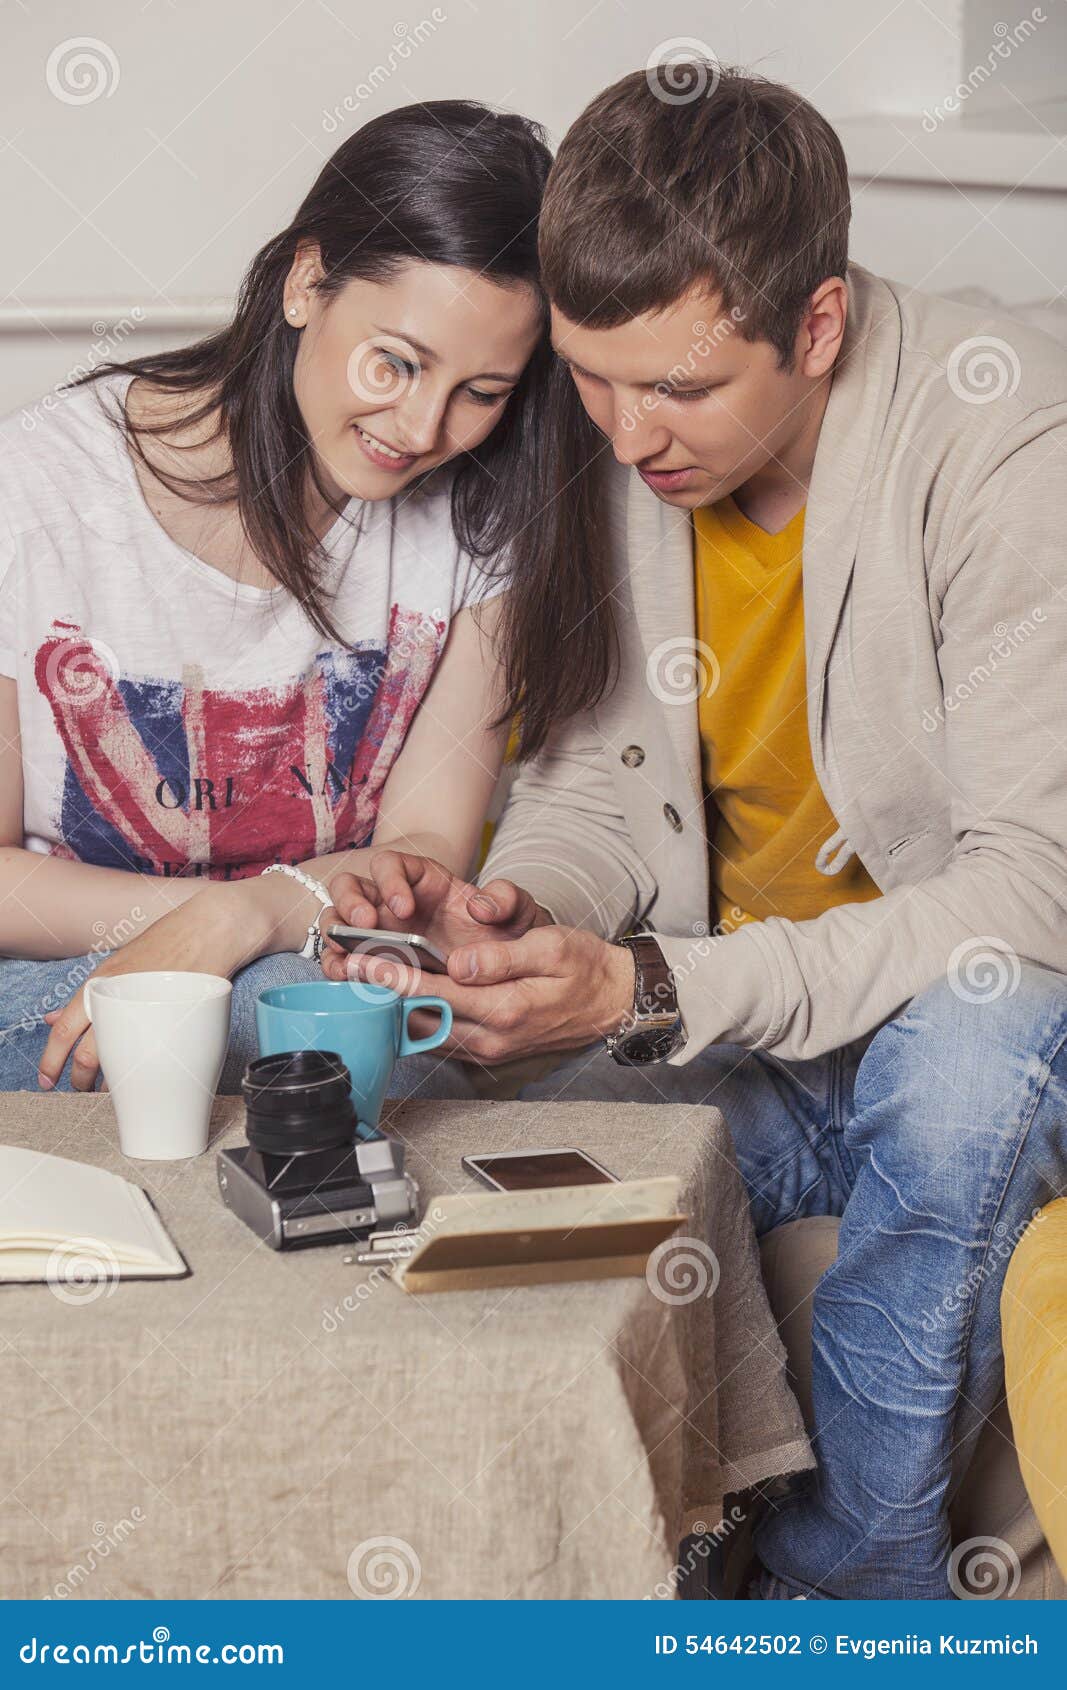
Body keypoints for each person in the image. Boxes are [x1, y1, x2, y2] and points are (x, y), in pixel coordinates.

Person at [325, 69, 1067, 1599]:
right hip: (753, 1017)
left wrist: (657, 989)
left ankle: (850, 1589)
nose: (622, 434)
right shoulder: (615, 438)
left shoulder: (1003, 441)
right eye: (593, 380)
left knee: (962, 1065)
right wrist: (530, 908)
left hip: (959, 1006)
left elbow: (1029, 893)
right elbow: (597, 784)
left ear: (816, 326)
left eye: (677, 389)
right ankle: (596, 1585)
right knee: (467, 1127)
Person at [0, 100, 615, 1094]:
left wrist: (248, 919)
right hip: (55, 994)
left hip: (324, 974)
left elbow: (419, 856)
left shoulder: (484, 515)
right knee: (303, 1016)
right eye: (398, 362)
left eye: (483, 391)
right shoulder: (34, 487)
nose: (421, 427)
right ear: (304, 283)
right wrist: (229, 916)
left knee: (347, 1017)